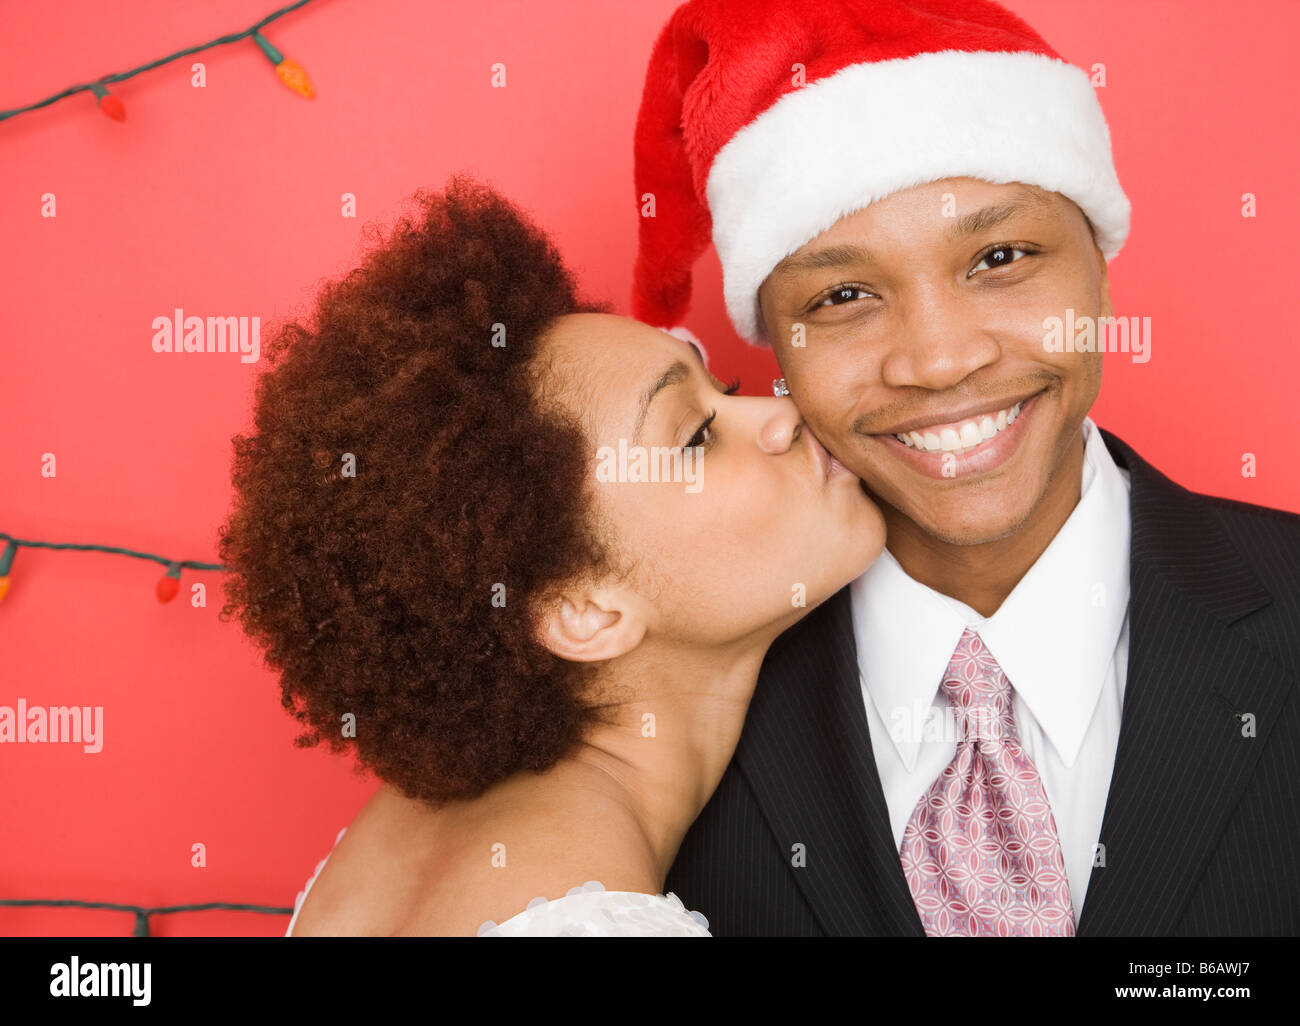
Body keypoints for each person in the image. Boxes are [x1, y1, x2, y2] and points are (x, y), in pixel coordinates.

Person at [635, 0, 1300, 935]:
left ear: (1101, 274)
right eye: (844, 295)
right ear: (778, 344)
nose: (940, 360)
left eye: (1000, 256)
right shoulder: (666, 720)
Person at [217, 173, 884, 936]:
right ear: (585, 611)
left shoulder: (382, 856)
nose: (780, 414)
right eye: (695, 437)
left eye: (723, 385)